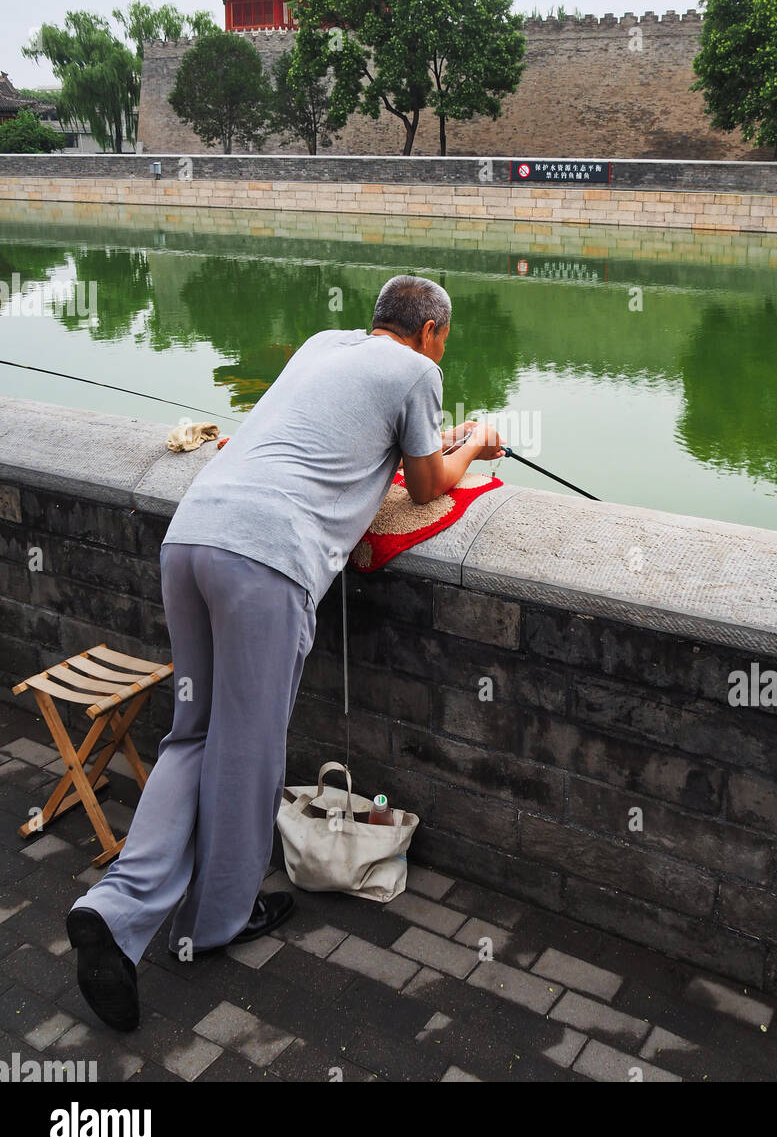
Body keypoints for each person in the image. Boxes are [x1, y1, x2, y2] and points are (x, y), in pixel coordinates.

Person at [65, 274, 503, 1031]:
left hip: (193, 536)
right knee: (248, 752)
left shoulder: (320, 346)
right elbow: (429, 484)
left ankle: (115, 906)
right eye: (443, 339)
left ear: (374, 320)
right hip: (264, 563)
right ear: (432, 332)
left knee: (192, 735)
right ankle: (213, 925)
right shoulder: (417, 371)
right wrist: (474, 441)